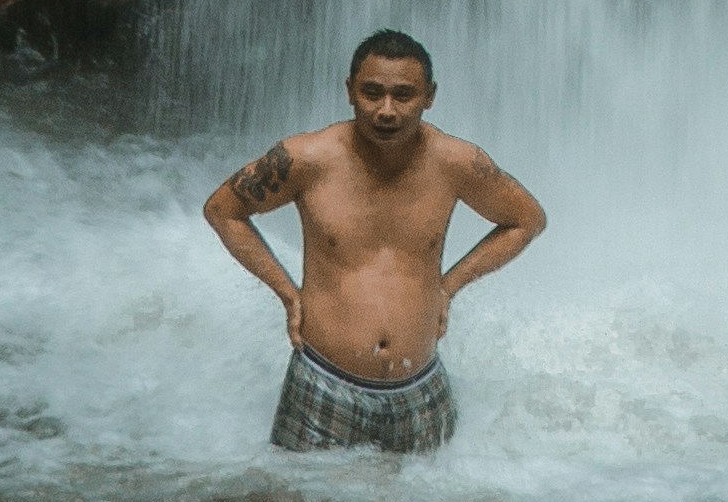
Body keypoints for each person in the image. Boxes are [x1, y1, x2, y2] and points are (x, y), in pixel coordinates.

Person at [204, 27, 546, 457]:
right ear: (349, 91)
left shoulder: (456, 162)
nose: (386, 111)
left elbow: (526, 220)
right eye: (371, 93)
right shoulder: (308, 159)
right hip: (322, 383)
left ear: (430, 95)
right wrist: (287, 294)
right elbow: (223, 210)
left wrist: (448, 287)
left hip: (419, 386)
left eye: (404, 95)